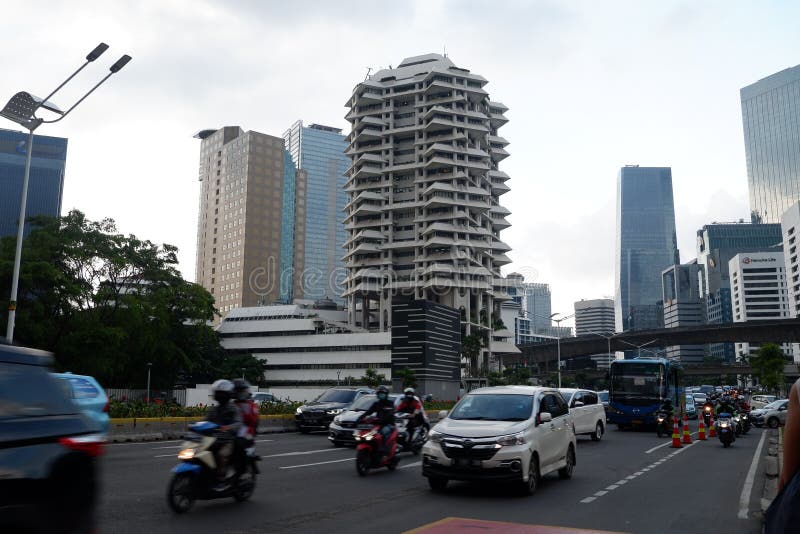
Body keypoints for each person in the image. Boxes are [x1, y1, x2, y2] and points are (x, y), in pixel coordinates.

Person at [205, 379, 242, 490]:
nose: (219, 396)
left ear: (227, 395)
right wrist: (195, 425)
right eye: (218, 393)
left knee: (221, 455)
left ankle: (221, 479)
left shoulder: (233, 408)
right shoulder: (213, 410)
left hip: (227, 440)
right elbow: (205, 421)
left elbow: (238, 423)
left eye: (221, 394)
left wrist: (228, 427)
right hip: (213, 439)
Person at [357, 385, 395, 458]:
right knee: (369, 433)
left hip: (388, 424)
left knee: (383, 433)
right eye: (380, 393)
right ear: (377, 395)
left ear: (386, 394)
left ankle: (384, 450)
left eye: (383, 393)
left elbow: (390, 414)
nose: (381, 395)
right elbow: (368, 412)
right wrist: (360, 418)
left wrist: (383, 420)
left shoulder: (390, 403)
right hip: (378, 424)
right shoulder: (376, 404)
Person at [232, 379, 259, 479]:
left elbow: (252, 420)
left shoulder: (250, 405)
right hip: (233, 431)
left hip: (246, 432)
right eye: (237, 391)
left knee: (238, 445)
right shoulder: (232, 404)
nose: (239, 393)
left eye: (241, 391)